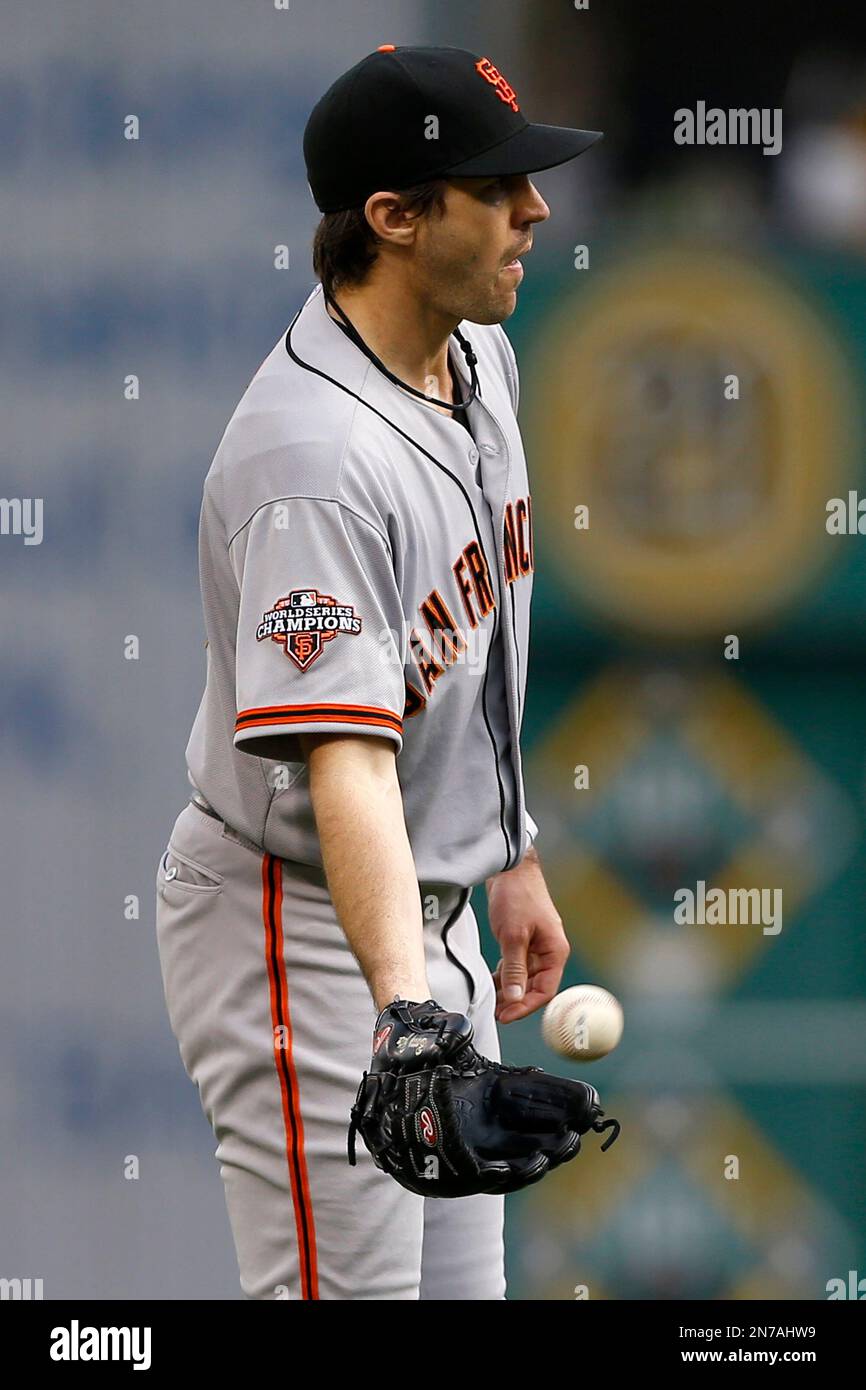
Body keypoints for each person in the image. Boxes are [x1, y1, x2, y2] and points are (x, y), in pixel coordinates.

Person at [155, 43, 602, 1301]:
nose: (536, 209)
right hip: (294, 925)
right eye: (496, 186)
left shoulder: (476, 360)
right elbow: (343, 758)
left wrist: (505, 850)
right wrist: (408, 1018)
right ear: (393, 218)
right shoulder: (312, 456)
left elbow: (474, 645)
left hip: (424, 918)